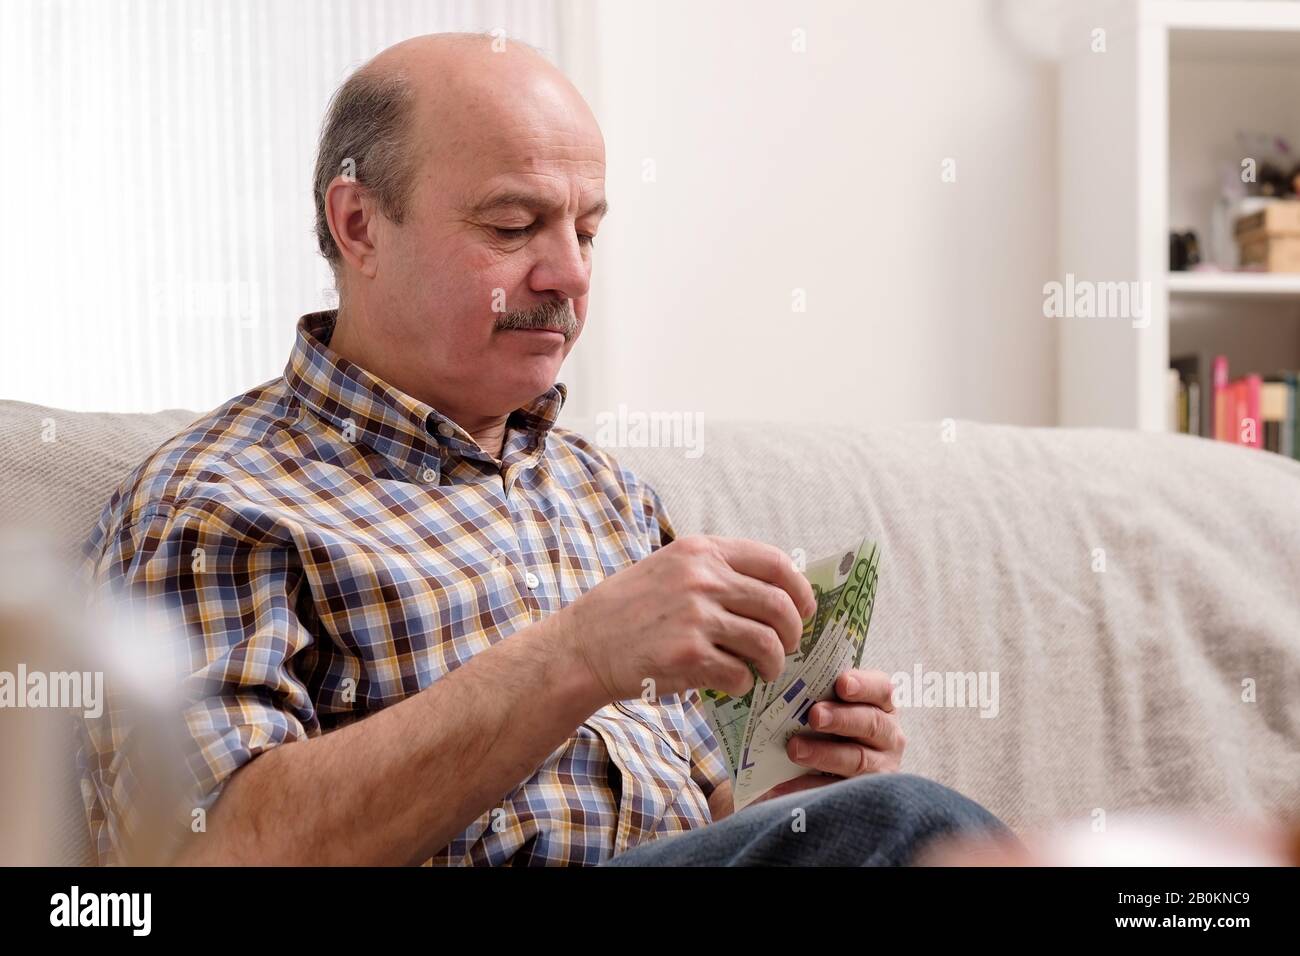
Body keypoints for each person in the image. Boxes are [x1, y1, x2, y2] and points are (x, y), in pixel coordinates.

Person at [79, 32, 1013, 866]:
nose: (568, 271)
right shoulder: (217, 498)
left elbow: (711, 806)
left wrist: (800, 807)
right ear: (358, 224)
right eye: (513, 225)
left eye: (588, 229)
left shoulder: (606, 494)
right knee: (914, 825)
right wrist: (577, 655)